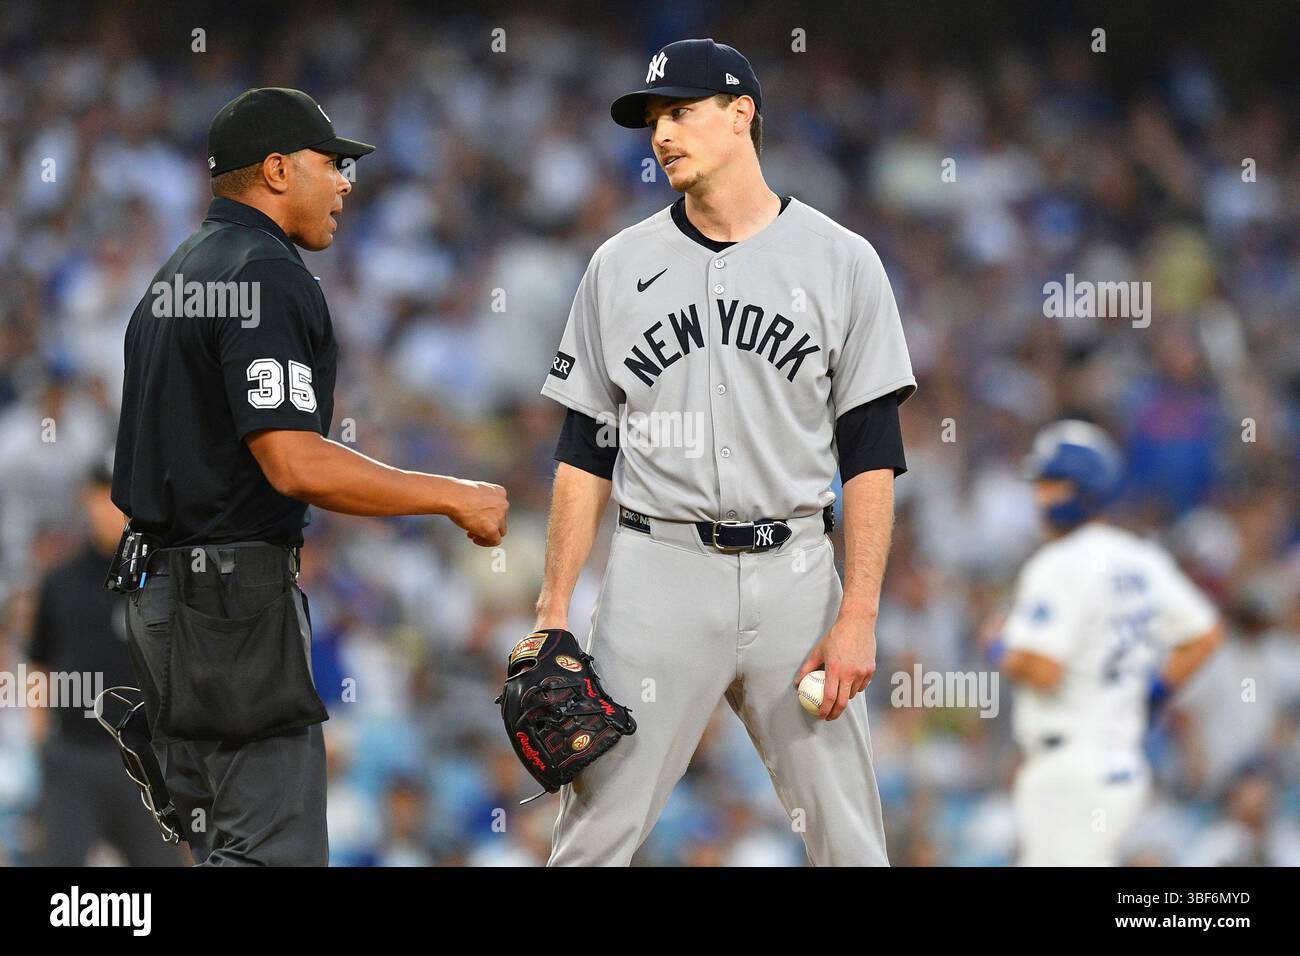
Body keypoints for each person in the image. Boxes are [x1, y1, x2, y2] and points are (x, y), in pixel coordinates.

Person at [534, 39, 915, 866]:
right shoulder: (618, 265)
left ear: (742, 114)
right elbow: (584, 449)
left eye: (681, 111)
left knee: (851, 841)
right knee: (593, 838)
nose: (662, 133)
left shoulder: (842, 261)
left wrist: (859, 614)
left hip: (798, 576)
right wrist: (551, 609)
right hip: (657, 571)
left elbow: (872, 454)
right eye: (653, 119)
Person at [110, 87, 508, 866]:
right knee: (272, 853)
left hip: (160, 601)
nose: (346, 183)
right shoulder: (264, 272)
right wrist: (451, 494)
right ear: (277, 170)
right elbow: (292, 459)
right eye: (332, 164)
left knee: (223, 848)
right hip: (229, 607)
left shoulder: (174, 276)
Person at [994, 419, 1222, 866]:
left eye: (1053, 484)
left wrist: (998, 647)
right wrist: (1152, 695)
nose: (1040, 497)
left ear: (1086, 488)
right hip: (1121, 766)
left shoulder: (1058, 563)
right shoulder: (1141, 558)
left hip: (1071, 770)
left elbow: (1044, 671)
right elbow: (1205, 635)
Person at [27, 456, 184, 865]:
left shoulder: (163, 577)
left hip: (148, 759)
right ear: (87, 499)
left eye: (123, 499)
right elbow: (39, 665)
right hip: (75, 755)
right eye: (104, 496)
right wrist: (42, 744)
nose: (113, 509)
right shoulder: (60, 582)